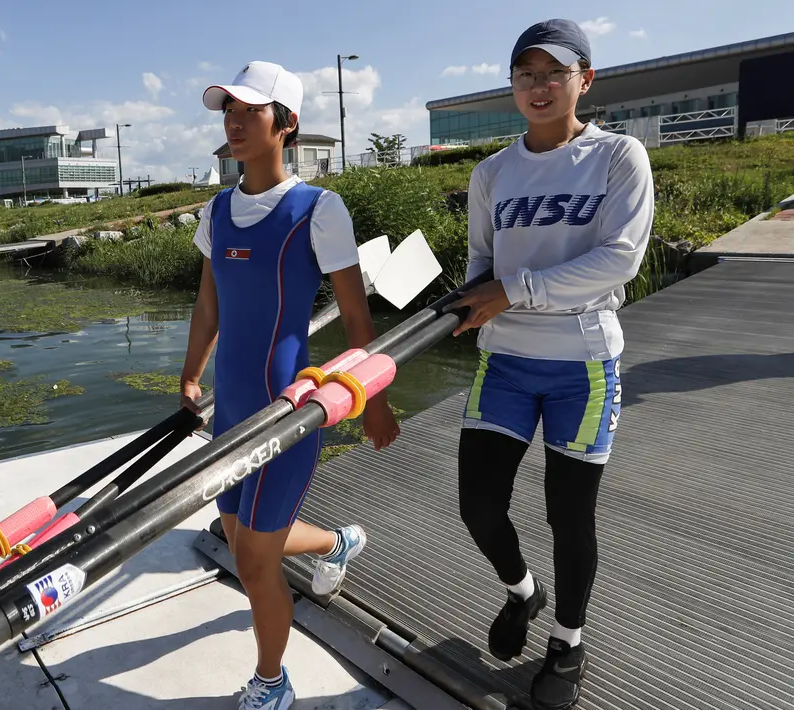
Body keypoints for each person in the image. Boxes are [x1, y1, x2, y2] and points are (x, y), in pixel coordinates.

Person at [179, 61, 400, 710]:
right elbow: (208, 308)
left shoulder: (318, 210)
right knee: (237, 535)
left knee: (253, 563)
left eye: (250, 111)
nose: (235, 122)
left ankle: (271, 684)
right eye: (228, 111)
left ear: (287, 123)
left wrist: (375, 402)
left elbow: (357, 320)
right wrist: (190, 374)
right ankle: (339, 542)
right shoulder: (215, 214)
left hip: (285, 416)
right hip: (229, 418)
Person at [447, 18, 654, 710]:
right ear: (512, 86)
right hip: (504, 360)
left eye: (553, 73)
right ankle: (522, 594)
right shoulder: (491, 172)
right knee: (477, 504)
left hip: (582, 365)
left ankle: (567, 641)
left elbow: (619, 259)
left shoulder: (618, 157)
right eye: (524, 74)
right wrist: (466, 297)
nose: (537, 87)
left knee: (569, 516)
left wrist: (513, 291)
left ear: (583, 80)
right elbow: (482, 261)